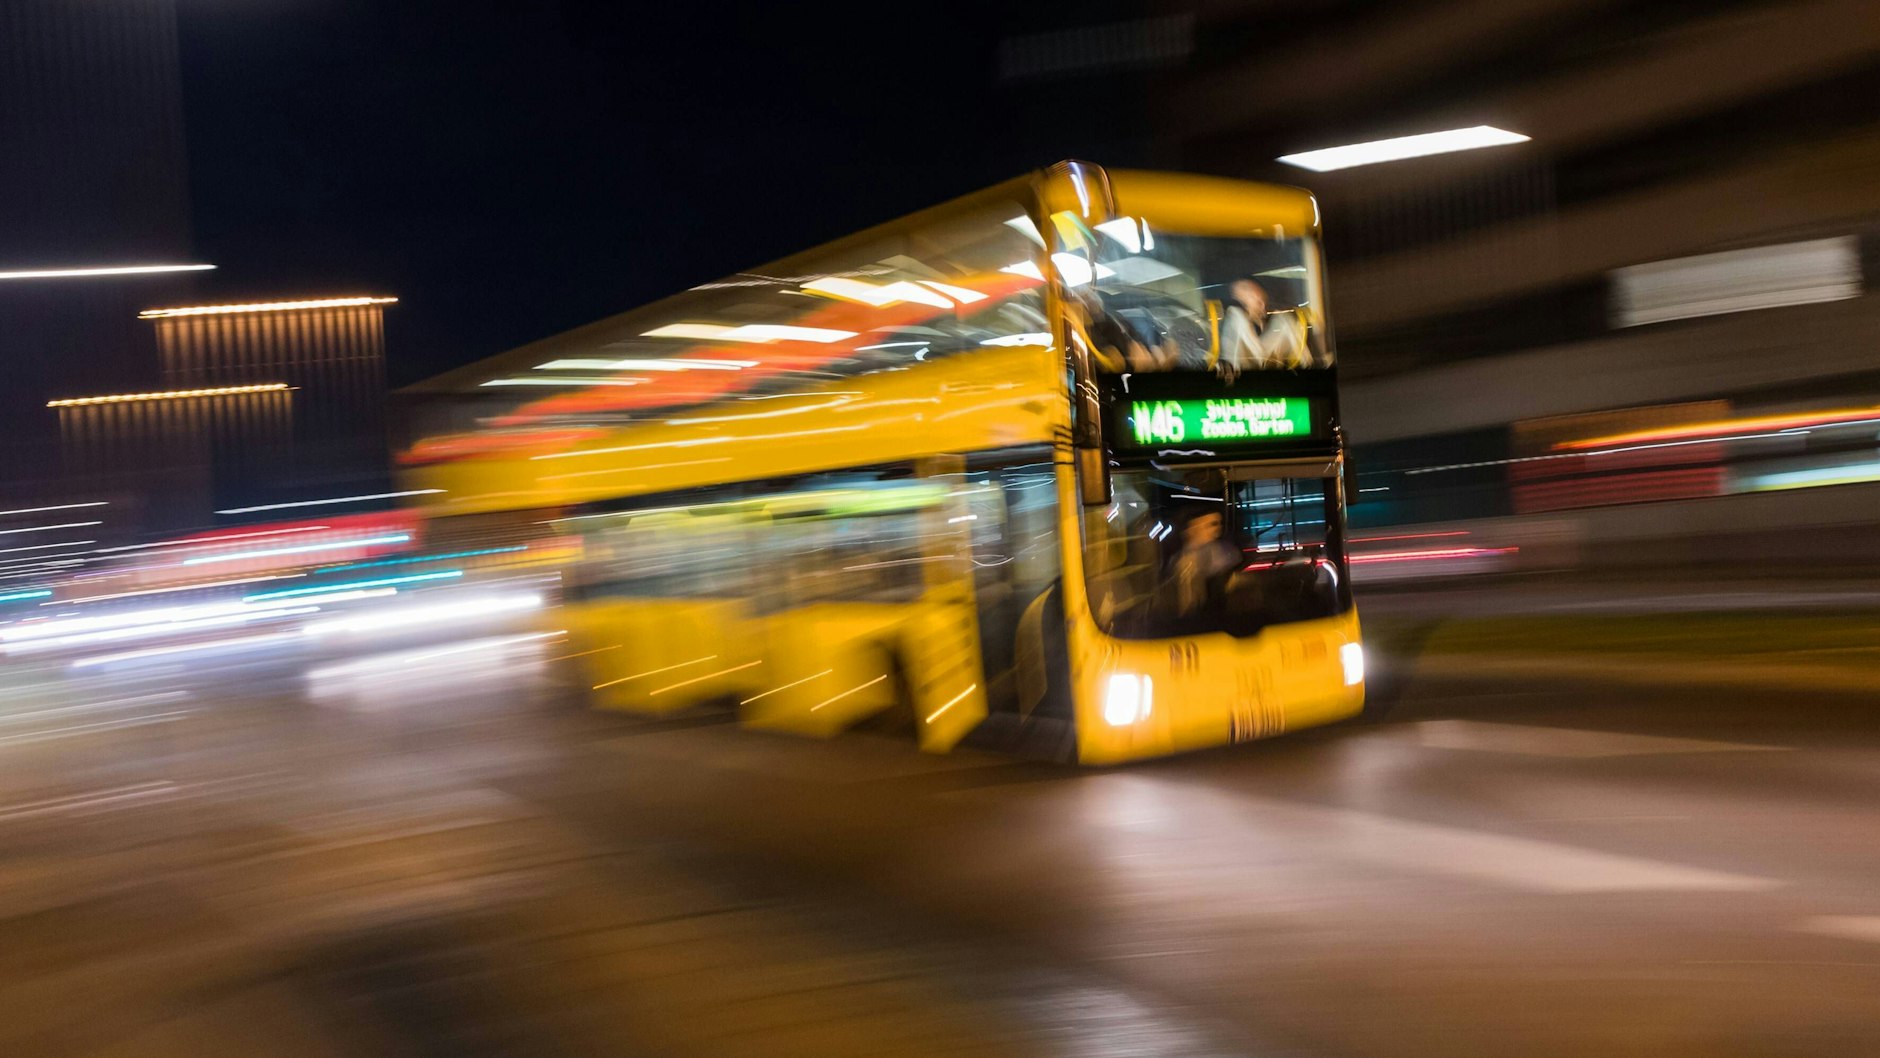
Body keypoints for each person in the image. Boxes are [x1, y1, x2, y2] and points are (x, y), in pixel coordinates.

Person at [1217, 278, 1307, 376]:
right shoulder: (1233, 322)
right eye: (1250, 294)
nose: (1259, 300)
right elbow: (1257, 356)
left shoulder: (1275, 323)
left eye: (1259, 295)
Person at [1166, 506, 1242, 617]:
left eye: (1219, 523)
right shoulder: (1178, 561)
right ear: (1192, 528)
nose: (1218, 528)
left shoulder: (1228, 552)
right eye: (1212, 524)